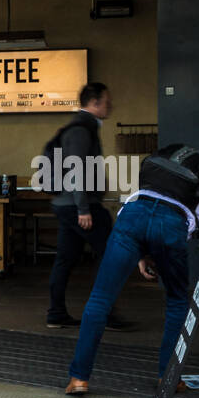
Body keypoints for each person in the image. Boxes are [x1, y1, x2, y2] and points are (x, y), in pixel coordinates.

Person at [64, 144, 199, 394]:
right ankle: (168, 377)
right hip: (169, 227)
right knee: (177, 302)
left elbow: (133, 211)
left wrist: (141, 255)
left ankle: (78, 378)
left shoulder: (152, 182)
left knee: (100, 298)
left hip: (131, 218)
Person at [45, 82, 133, 331]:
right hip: (78, 206)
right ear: (94, 103)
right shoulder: (81, 129)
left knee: (66, 258)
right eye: (107, 101)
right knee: (111, 255)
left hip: (68, 204)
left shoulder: (83, 127)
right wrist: (83, 208)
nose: (110, 105)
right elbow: (76, 170)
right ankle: (104, 313)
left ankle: (56, 313)